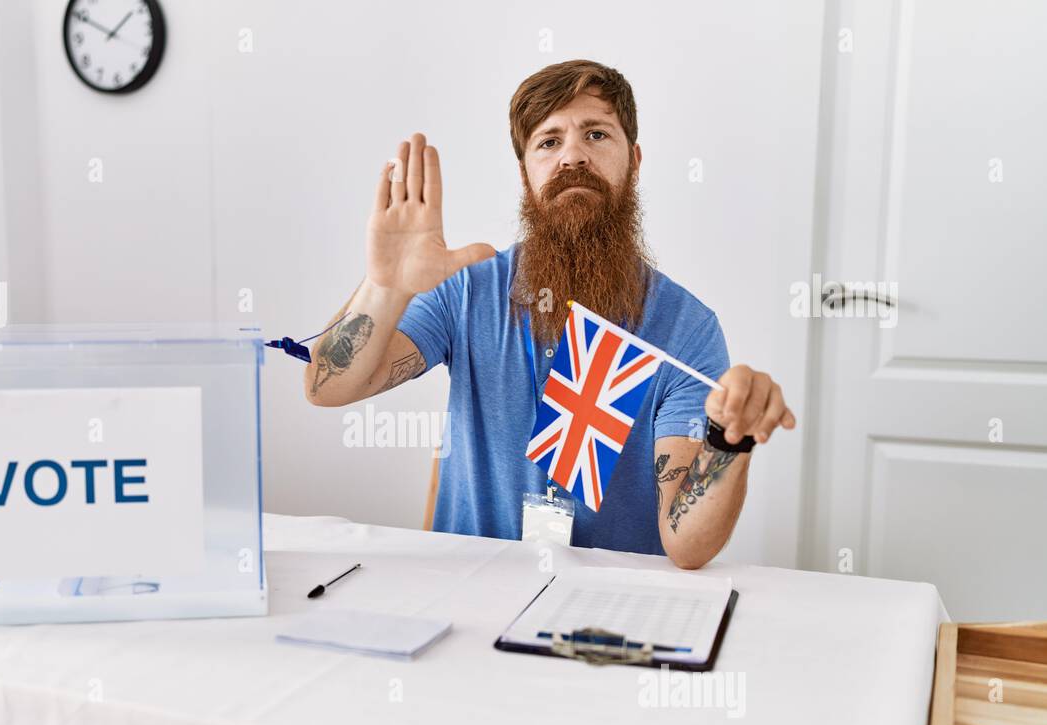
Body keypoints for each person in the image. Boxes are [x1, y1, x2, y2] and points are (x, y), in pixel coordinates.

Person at [303, 60, 795, 569]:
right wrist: (387, 287)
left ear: (635, 160)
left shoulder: (685, 327)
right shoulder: (468, 286)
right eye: (548, 142)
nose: (572, 156)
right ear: (525, 172)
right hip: (471, 598)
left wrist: (726, 439)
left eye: (597, 134)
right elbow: (326, 385)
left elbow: (687, 545)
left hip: (607, 618)